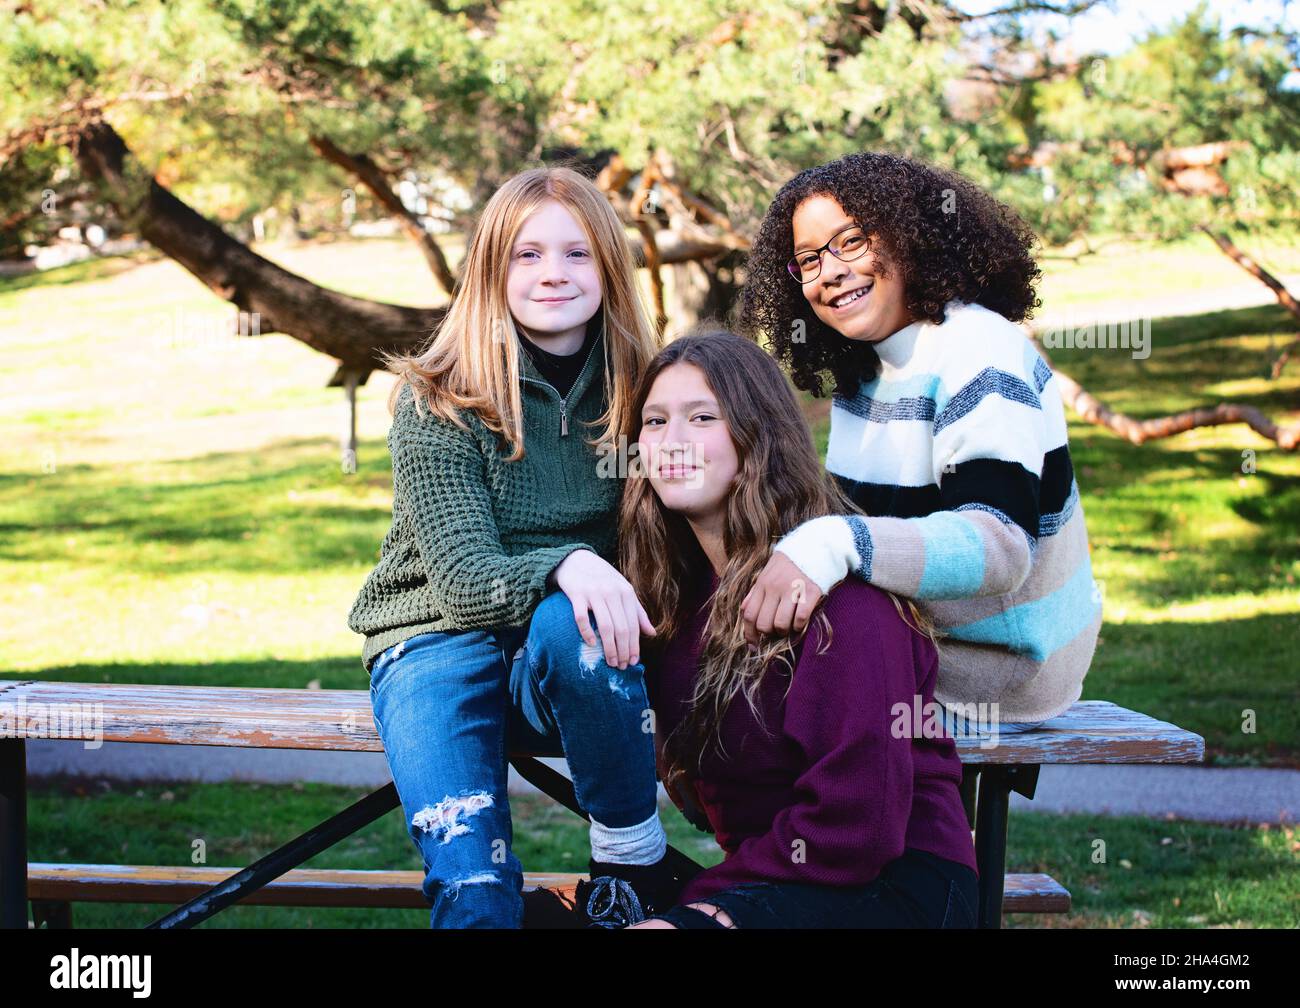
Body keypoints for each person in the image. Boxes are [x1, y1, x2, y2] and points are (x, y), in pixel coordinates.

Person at [347, 166, 680, 928]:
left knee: (575, 622)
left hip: (565, 653)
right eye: (527, 255)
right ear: (492, 271)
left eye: (577, 254)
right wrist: (572, 560)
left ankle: (630, 864)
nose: (552, 274)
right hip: (434, 644)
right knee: (476, 888)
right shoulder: (441, 399)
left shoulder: (644, 394)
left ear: (609, 266)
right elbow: (464, 582)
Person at [615, 328, 978, 929]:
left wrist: (700, 898)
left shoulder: (843, 604)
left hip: (895, 890)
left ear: (757, 436)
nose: (671, 442)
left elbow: (855, 828)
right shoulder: (674, 601)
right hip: (777, 880)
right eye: (654, 422)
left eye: (701, 417)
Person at [736, 151, 1101, 736]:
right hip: (917, 640)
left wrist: (831, 543)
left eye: (849, 241)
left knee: (761, 706)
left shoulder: (978, 348)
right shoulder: (869, 376)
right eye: (807, 260)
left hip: (998, 669)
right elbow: (859, 530)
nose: (827, 272)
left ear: (909, 235)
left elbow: (999, 547)